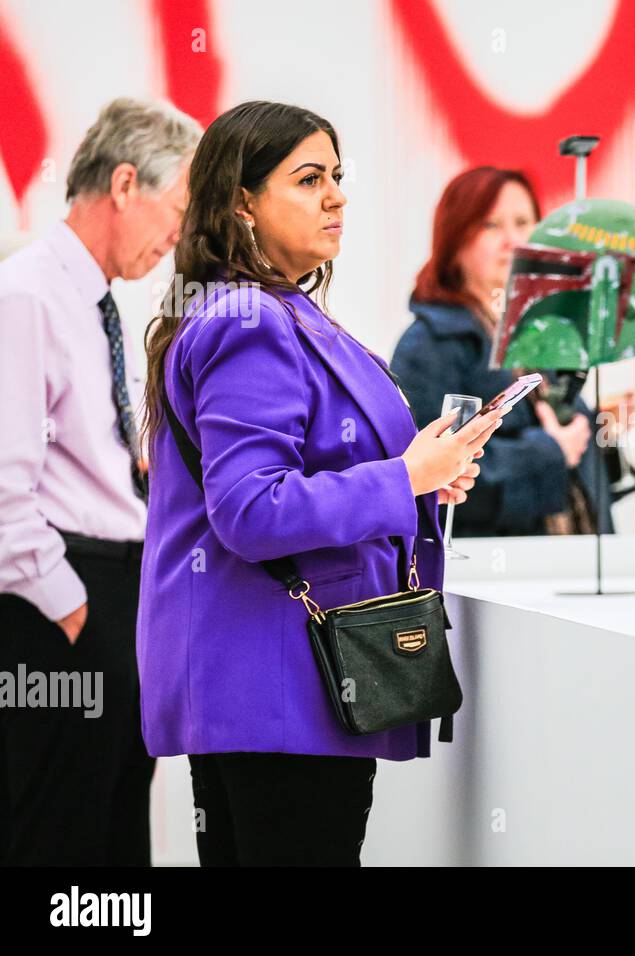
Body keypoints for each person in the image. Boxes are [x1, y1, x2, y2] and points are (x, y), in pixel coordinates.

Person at [135, 101, 501, 866]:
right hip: (277, 688)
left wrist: (422, 477)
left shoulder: (273, 312)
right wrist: (403, 478)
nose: (336, 195)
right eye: (308, 179)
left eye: (337, 176)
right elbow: (250, 508)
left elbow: (305, 474)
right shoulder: (251, 321)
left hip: (262, 690)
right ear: (241, 201)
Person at [0, 96, 200, 865]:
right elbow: (7, 498)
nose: (181, 233)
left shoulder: (91, 302)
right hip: (65, 609)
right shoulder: (27, 296)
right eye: (177, 206)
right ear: (125, 184)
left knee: (115, 834)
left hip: (112, 595)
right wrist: (76, 613)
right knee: (61, 839)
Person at [391, 167, 620, 537]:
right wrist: (550, 452)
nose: (512, 240)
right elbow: (430, 474)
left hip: (573, 561)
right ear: (454, 238)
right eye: (490, 225)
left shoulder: (546, 330)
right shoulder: (429, 345)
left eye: (523, 222)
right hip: (491, 574)